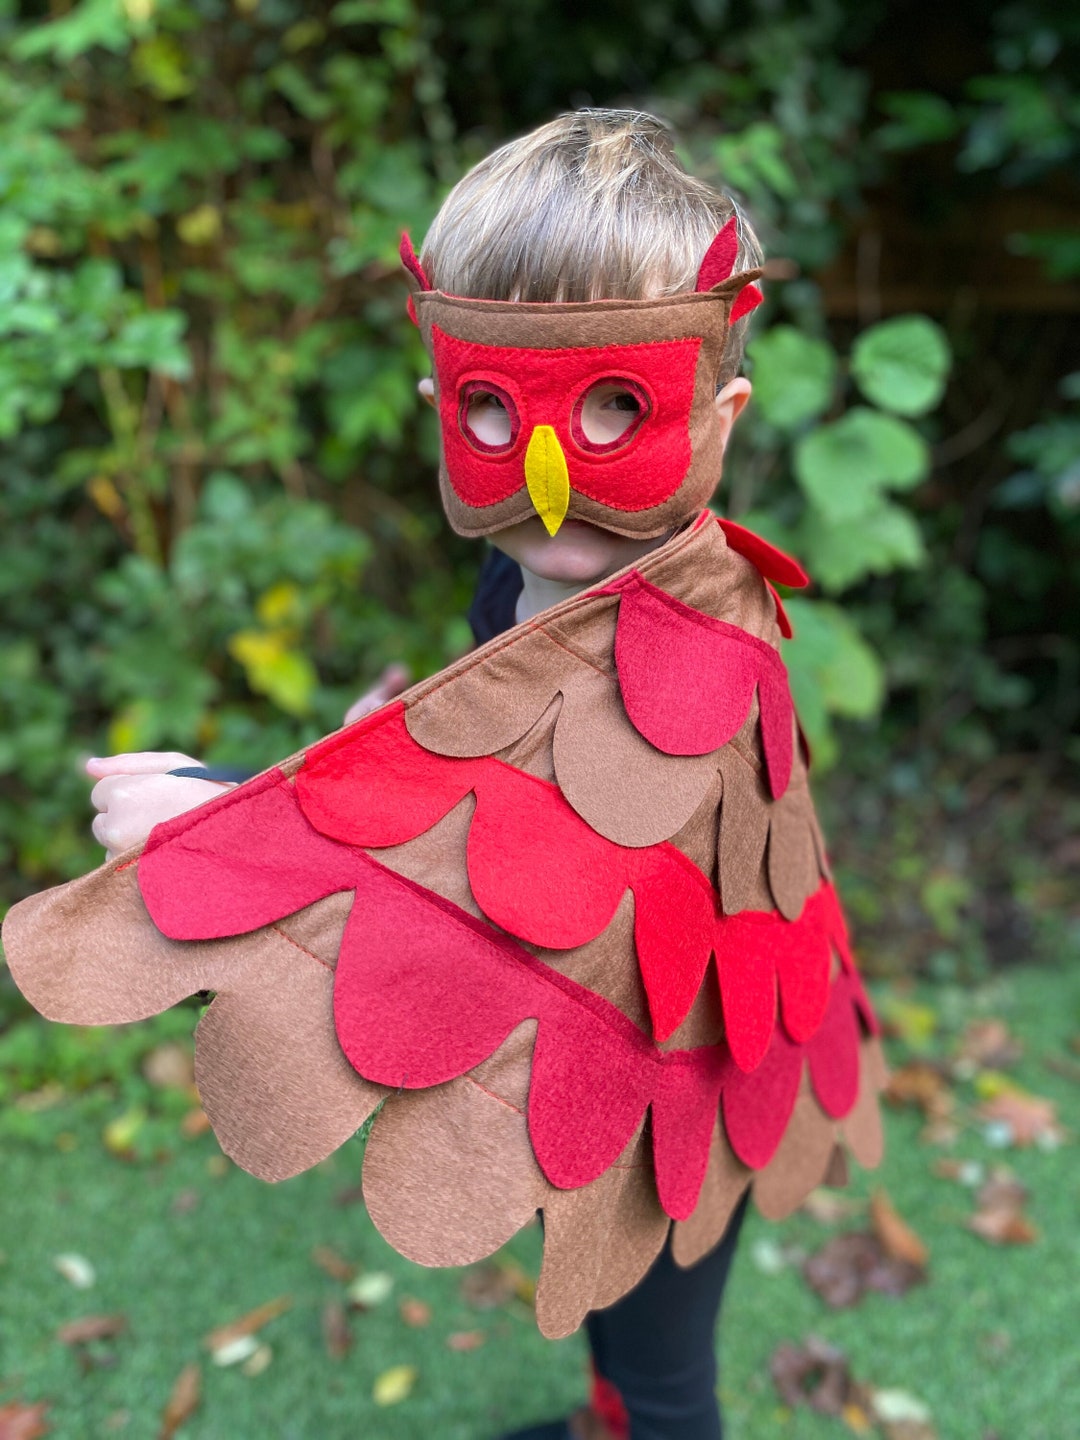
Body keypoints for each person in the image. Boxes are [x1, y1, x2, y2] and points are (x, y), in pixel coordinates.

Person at [17, 109, 885, 1440]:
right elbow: (488, 767)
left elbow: (527, 888)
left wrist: (230, 825)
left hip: (696, 1048)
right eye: (494, 406)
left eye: (615, 406)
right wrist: (298, 771)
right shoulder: (527, 573)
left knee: (660, 1352)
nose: (550, 470)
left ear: (720, 411)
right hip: (609, 1032)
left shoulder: (695, 653)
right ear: (445, 399)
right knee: (601, 1286)